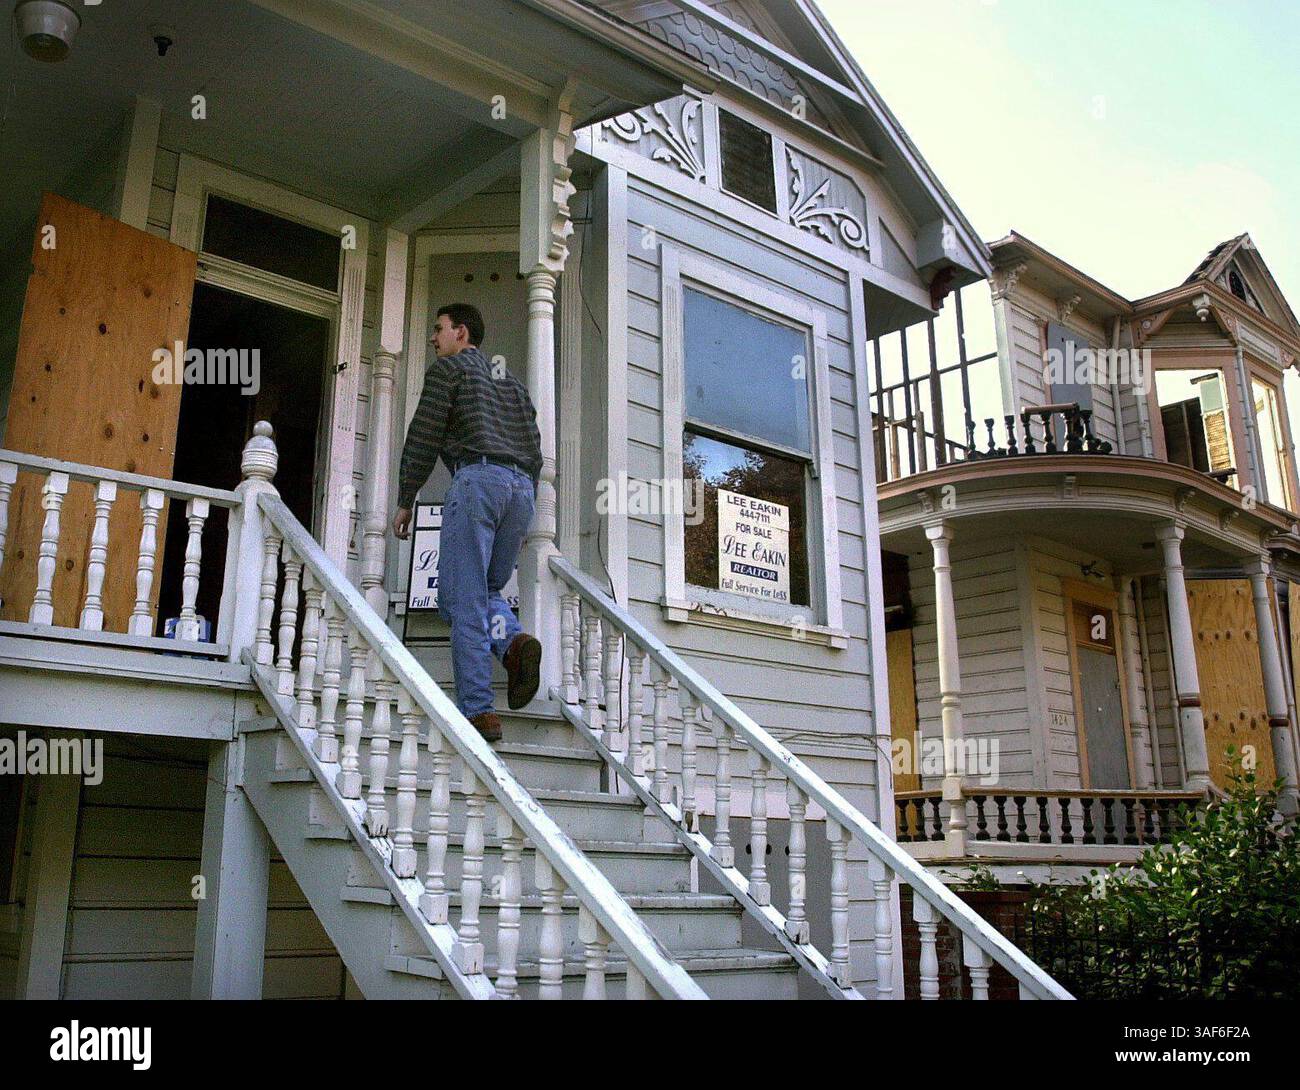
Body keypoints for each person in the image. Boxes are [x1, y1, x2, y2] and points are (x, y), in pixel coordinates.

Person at [393, 302, 542, 743]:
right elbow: (534, 443)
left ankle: (478, 711)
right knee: (479, 592)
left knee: (465, 599)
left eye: (437, 330)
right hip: (520, 490)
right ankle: (512, 645)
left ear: (461, 333)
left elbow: (424, 432)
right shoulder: (511, 384)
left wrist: (406, 498)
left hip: (477, 481)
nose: (432, 338)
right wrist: (523, 486)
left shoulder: (449, 370)